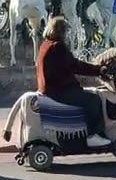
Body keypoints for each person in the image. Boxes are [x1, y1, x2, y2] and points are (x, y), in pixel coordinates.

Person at [37, 16, 111, 148]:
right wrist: (99, 69)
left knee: (87, 96)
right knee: (93, 100)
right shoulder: (58, 47)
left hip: (49, 89)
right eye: (66, 31)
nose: (67, 34)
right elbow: (76, 66)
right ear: (62, 31)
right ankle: (93, 135)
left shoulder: (45, 44)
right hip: (60, 91)